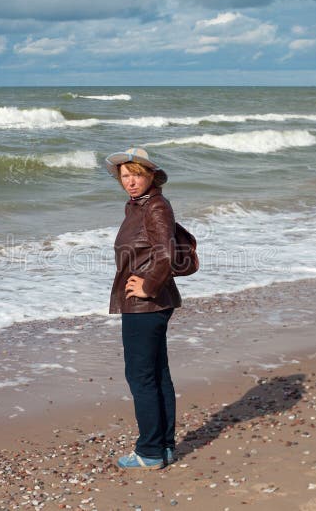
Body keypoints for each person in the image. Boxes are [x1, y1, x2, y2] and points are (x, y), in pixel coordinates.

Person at [105, 147, 182, 470]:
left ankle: (149, 451)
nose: (130, 182)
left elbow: (166, 253)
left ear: (151, 175)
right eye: (125, 176)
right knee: (156, 374)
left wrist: (147, 286)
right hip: (150, 304)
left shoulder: (155, 207)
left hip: (145, 305)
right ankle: (163, 447)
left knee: (141, 376)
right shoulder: (139, 206)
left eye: (136, 174)